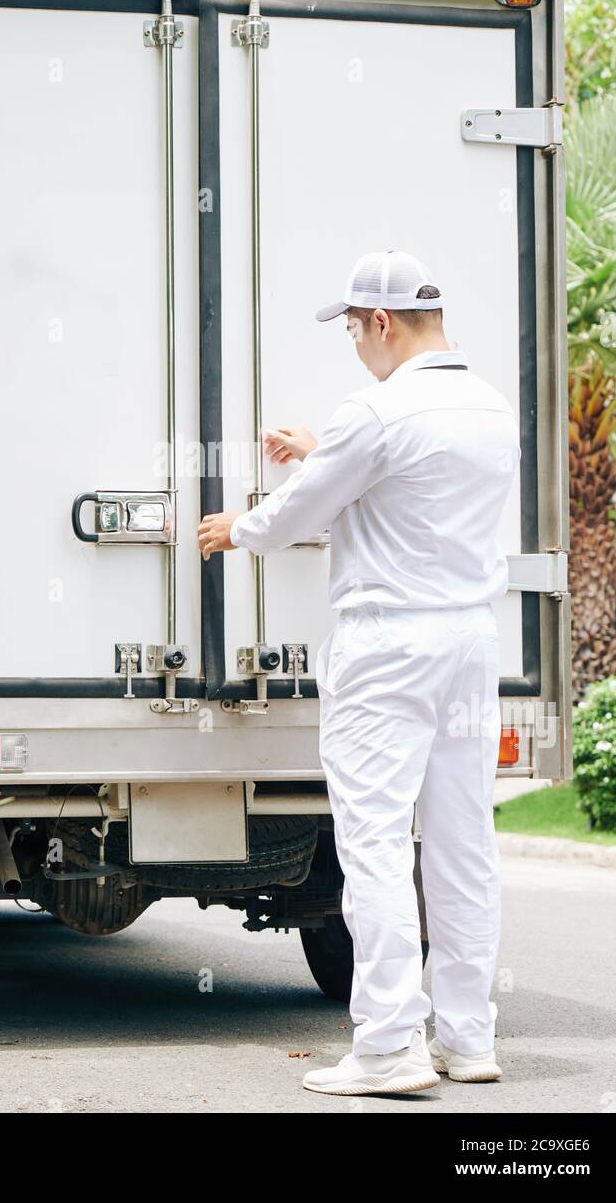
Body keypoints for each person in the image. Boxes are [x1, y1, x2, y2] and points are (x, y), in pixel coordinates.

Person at [197, 250, 520, 1097]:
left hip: (387, 648)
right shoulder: (490, 408)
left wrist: (243, 528)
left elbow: (306, 512)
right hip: (468, 642)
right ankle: (468, 1037)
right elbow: (398, 487)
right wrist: (323, 452)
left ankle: (387, 1047)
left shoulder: (375, 413)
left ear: (382, 323)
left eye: (351, 329)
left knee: (374, 843)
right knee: (461, 845)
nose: (353, 346)